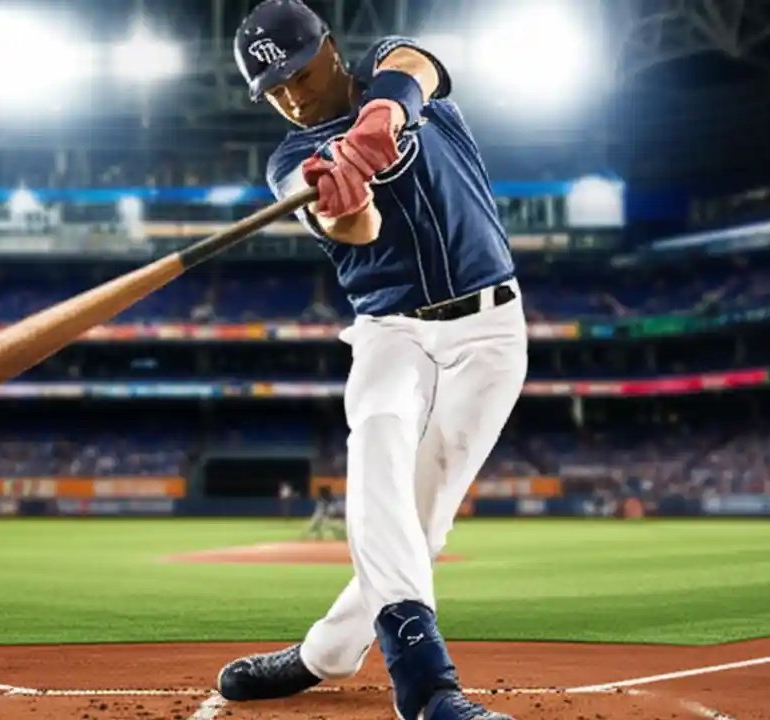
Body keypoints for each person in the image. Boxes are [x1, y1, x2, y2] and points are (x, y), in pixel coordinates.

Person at [215, 2, 528, 719]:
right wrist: (345, 194)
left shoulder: (392, 61)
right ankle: (426, 686)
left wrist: (382, 117)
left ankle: (323, 654)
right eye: (275, 91)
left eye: (297, 73)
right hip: (391, 327)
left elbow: (415, 70)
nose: (291, 96)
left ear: (329, 48)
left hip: (493, 330)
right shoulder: (291, 161)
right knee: (379, 435)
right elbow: (354, 226)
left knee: (427, 518)